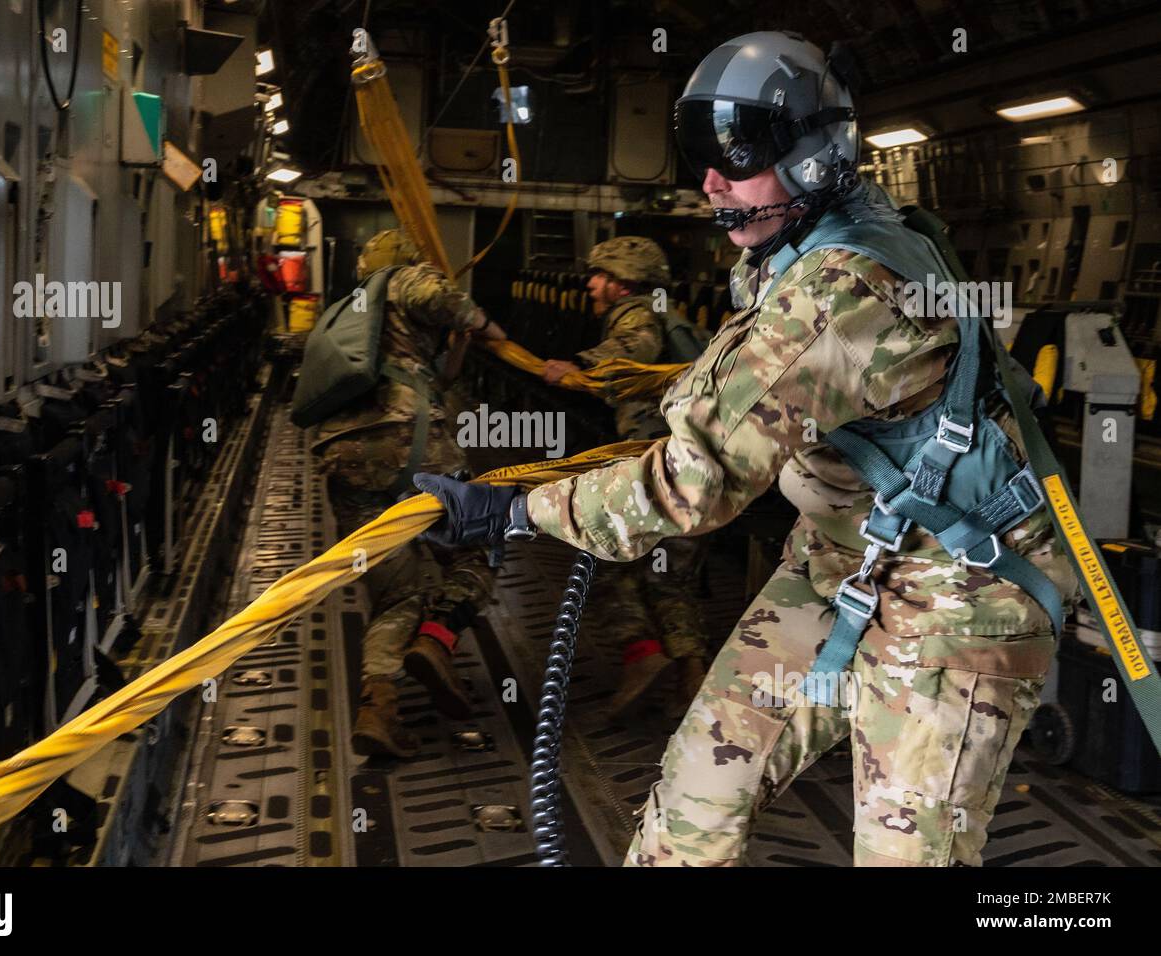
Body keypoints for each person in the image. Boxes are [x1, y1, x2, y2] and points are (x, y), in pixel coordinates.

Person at [414, 31, 1077, 866]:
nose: (711, 181)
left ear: (814, 158)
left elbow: (691, 486)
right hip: (841, 563)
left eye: (737, 154)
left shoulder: (844, 288)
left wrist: (509, 512)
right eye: (701, 153)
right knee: (694, 804)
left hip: (961, 593)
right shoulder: (801, 248)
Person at [308, 228, 508, 758]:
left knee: (396, 589)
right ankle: (437, 637)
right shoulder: (404, 281)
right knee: (481, 541)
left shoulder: (353, 311)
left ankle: (380, 709)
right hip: (409, 445)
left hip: (344, 454)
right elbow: (437, 296)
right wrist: (485, 326)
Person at [543, 236, 710, 719]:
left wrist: (577, 366)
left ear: (622, 284)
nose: (590, 284)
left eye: (599, 275)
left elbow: (634, 349)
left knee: (602, 554)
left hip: (651, 466)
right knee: (670, 578)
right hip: (693, 468)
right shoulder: (673, 315)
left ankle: (641, 655)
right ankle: (691, 678)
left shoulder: (636, 314)